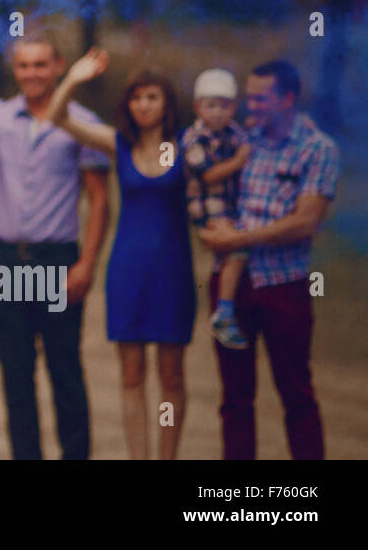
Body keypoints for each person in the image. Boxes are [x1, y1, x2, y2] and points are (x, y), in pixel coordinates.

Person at [0, 30, 110, 460]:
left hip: (58, 262)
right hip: (7, 261)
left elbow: (101, 199)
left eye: (40, 64)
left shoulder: (83, 124)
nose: (31, 73)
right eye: (24, 65)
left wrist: (86, 264)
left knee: (65, 372)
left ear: (58, 66)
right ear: (16, 69)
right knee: (16, 376)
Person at [46, 50, 196, 459]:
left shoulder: (188, 145)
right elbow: (57, 117)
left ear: (167, 102)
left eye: (152, 97)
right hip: (127, 270)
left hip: (173, 272)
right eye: (136, 98)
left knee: (171, 377)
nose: (143, 105)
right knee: (131, 375)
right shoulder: (118, 143)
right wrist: (74, 79)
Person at [199, 59, 339, 460]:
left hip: (285, 285)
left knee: (296, 393)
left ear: (289, 98)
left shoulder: (317, 149)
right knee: (235, 399)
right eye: (250, 96)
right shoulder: (242, 143)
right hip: (231, 285)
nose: (252, 105)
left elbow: (306, 222)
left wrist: (238, 238)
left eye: (262, 98)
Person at [182, 69, 251, 349]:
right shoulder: (193, 138)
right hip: (208, 207)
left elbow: (250, 142)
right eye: (211, 105)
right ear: (198, 107)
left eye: (225, 106)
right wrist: (238, 162)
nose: (218, 113)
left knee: (230, 256)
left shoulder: (234, 133)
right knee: (236, 249)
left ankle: (228, 307)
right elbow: (207, 176)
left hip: (231, 205)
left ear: (234, 107)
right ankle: (223, 311)